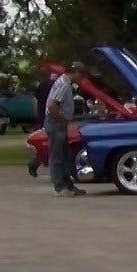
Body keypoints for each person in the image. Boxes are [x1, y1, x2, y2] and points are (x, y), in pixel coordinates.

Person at [45, 63, 87, 197]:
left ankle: (68, 184)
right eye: (80, 74)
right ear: (75, 71)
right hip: (56, 122)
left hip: (59, 122)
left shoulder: (65, 82)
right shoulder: (63, 84)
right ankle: (59, 186)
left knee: (65, 155)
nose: (81, 77)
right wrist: (60, 120)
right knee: (57, 155)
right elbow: (52, 105)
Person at [27, 66, 54, 178]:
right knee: (52, 143)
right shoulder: (59, 85)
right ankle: (37, 161)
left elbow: (35, 100)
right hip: (52, 117)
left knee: (46, 142)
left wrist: (37, 114)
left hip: (42, 116)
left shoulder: (42, 84)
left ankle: (36, 161)